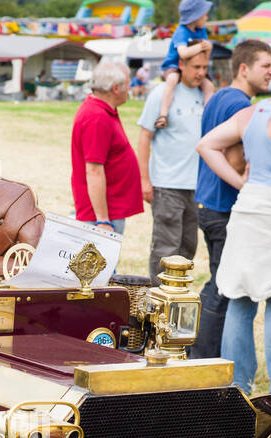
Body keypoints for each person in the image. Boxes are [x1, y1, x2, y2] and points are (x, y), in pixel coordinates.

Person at [198, 52, 271, 394]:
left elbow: (206, 146)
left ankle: (237, 386)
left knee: (241, 300)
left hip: (249, 212)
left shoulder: (250, 113)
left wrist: (242, 184)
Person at [189, 38, 271, 359]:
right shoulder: (242, 106)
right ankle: (201, 357)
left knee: (218, 283)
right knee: (223, 288)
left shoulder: (218, 97)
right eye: (265, 66)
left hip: (208, 203)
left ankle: (200, 351)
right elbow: (237, 156)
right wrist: (243, 182)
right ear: (243, 68)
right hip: (224, 208)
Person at [137, 49, 210, 283]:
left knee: (188, 248)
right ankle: (157, 306)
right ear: (181, 64)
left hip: (197, 187)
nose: (201, 73)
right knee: (166, 250)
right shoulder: (162, 93)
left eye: (204, 68)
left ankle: (178, 300)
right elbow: (144, 136)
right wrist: (144, 180)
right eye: (195, 67)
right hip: (167, 184)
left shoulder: (204, 94)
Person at [70, 60, 143, 234]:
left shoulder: (103, 111)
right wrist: (102, 220)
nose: (130, 88)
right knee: (103, 262)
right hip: (102, 215)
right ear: (115, 88)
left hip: (110, 208)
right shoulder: (96, 116)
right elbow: (94, 170)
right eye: (127, 84)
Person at [155, 0, 216, 130]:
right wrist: (201, 46)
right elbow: (183, 53)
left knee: (209, 86)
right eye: (204, 15)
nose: (207, 18)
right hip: (174, 66)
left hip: (193, 67)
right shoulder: (181, 31)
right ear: (196, 16)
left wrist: (208, 47)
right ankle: (163, 114)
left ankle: (209, 116)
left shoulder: (201, 30)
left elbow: (206, 53)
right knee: (172, 79)